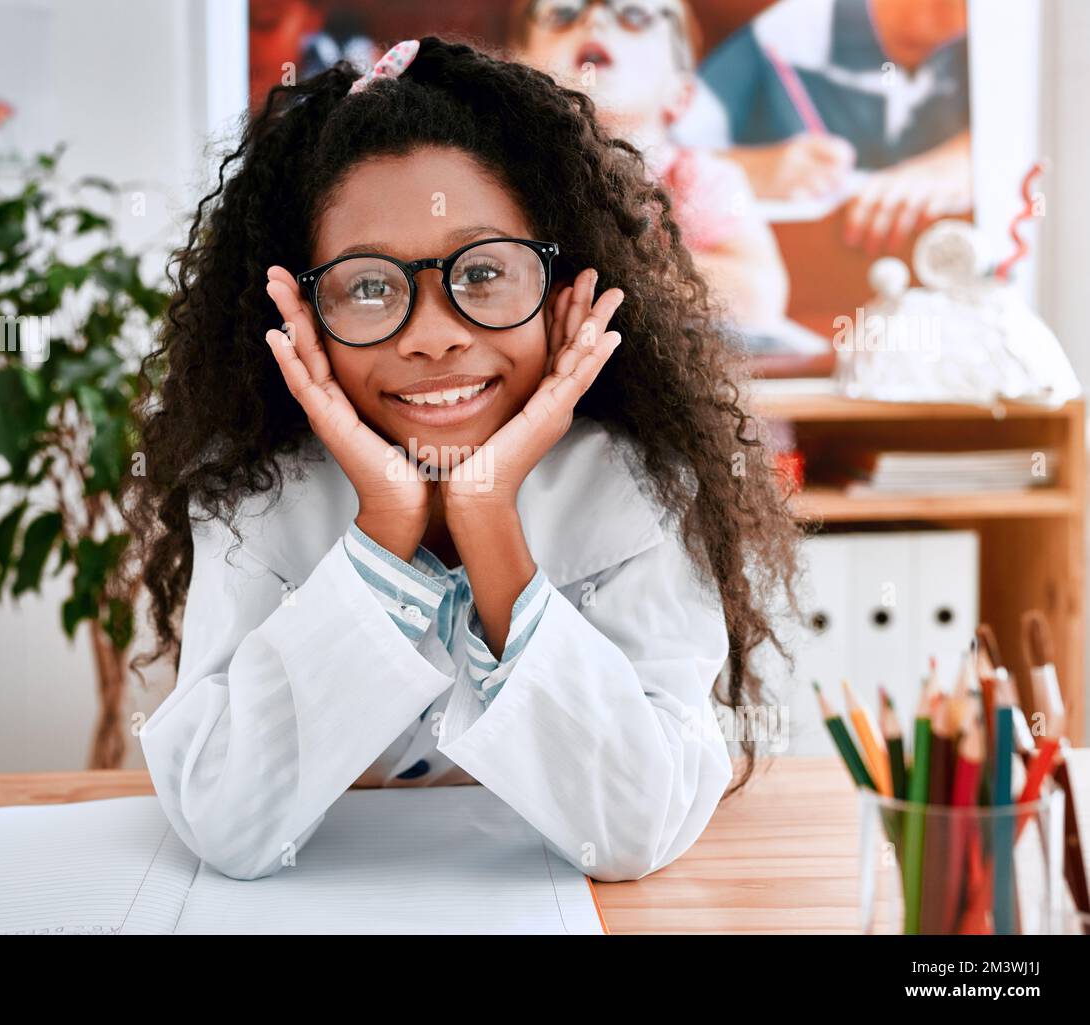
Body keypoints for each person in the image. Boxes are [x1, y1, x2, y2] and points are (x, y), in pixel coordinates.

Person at [123, 37, 798, 883]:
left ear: (565, 295)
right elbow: (226, 819)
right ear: (298, 308)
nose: (433, 333)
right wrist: (384, 534)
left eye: (483, 273)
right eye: (369, 285)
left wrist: (485, 518)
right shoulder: (257, 495)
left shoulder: (630, 489)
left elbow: (631, 829)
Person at [511, 0, 789, 329]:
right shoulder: (504, 173)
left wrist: (610, 268)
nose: (595, 19)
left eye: (635, 14)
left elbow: (758, 295)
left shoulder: (701, 179)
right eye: (562, 12)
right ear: (516, 73)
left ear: (680, 94)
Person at [681, 0, 971, 255]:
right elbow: (656, 157)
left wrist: (969, 156)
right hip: (808, 282)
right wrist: (750, 169)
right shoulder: (782, 32)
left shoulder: (989, 40)